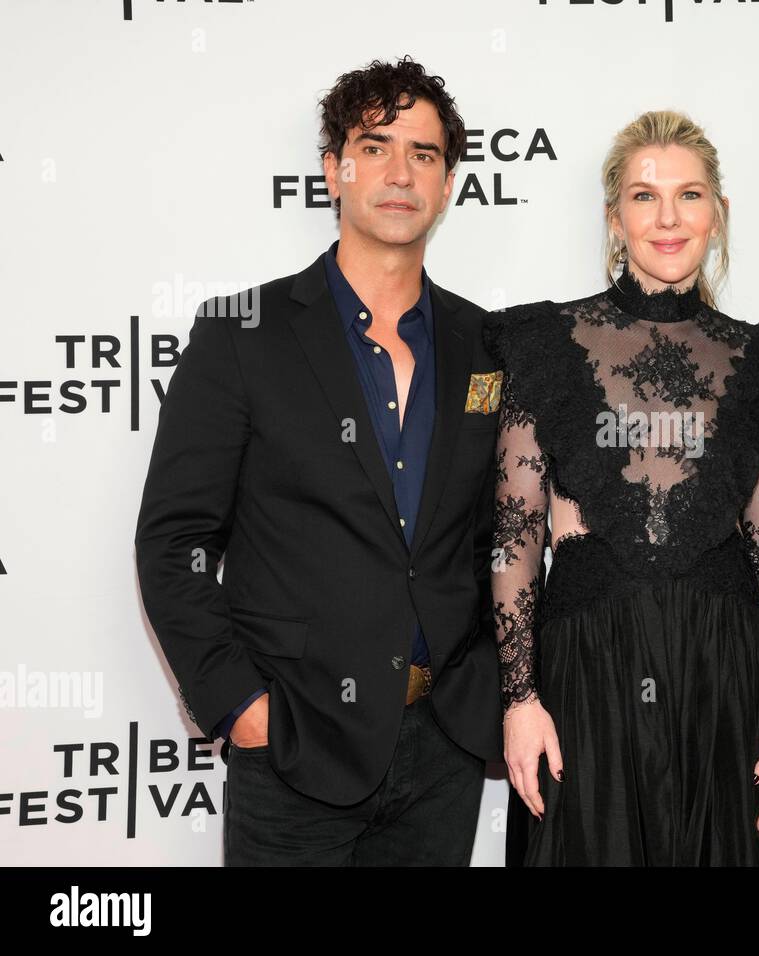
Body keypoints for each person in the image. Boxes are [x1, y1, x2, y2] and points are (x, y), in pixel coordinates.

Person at [134, 56, 502, 865]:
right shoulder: (243, 334)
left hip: (443, 750)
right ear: (334, 171)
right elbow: (175, 542)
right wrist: (241, 707)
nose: (401, 172)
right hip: (295, 744)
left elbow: (488, 544)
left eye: (425, 154)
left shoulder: (486, 345)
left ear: (448, 186)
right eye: (375, 147)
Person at [485, 110, 759, 866]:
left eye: (690, 195)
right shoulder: (542, 344)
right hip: (588, 674)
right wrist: (519, 699)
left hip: (728, 675)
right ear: (614, 218)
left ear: (719, 213)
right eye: (644, 197)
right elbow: (515, 541)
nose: (668, 218)